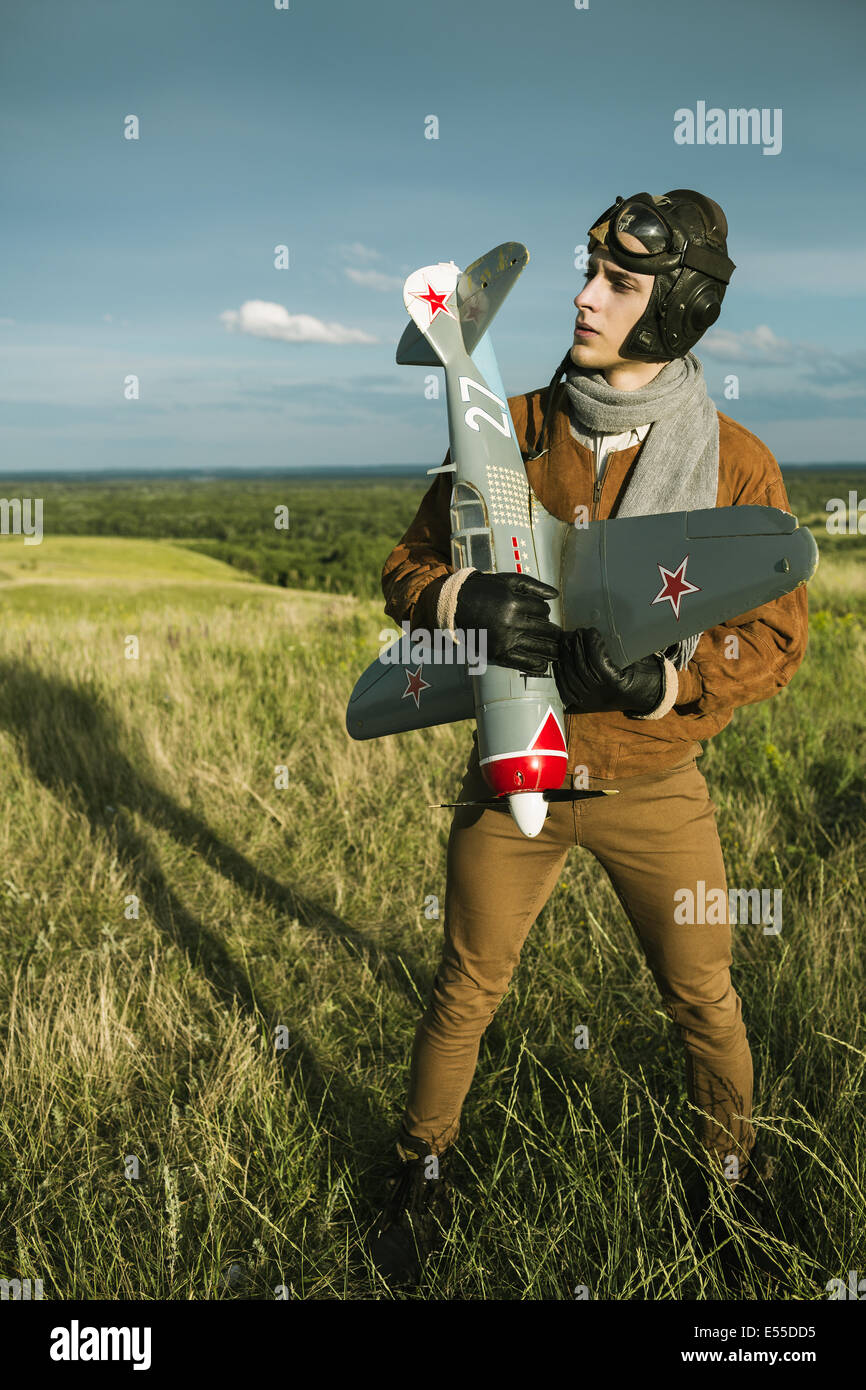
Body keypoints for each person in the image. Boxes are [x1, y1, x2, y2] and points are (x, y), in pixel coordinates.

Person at [368, 190, 809, 1287]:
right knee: (464, 987)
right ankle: (418, 1174)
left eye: (616, 282)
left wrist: (661, 684)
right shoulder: (506, 429)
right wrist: (460, 596)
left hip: (653, 784)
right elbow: (402, 570)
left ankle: (728, 1180)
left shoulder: (736, 462)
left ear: (674, 309)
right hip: (513, 774)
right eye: (586, 270)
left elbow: (773, 637)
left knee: (703, 995)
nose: (582, 294)